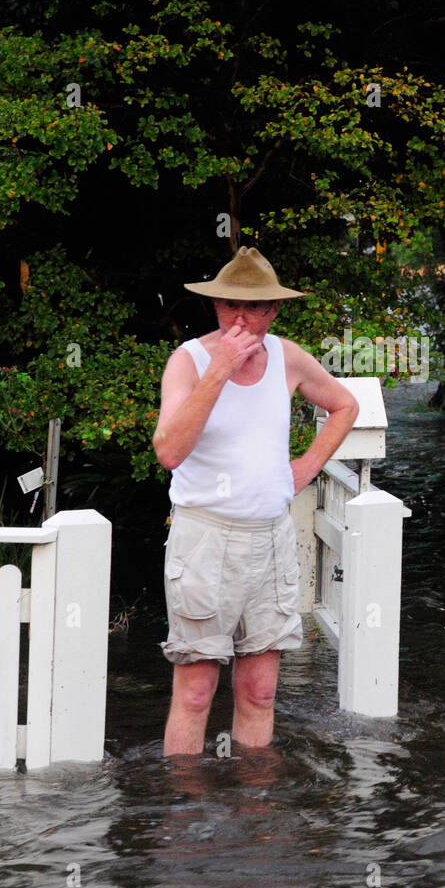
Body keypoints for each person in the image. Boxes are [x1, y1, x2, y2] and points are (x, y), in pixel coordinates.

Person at [152, 246, 359, 755]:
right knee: (197, 692)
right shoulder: (189, 361)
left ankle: (254, 814)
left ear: (273, 310)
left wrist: (306, 467)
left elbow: (344, 405)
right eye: (227, 307)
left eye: (251, 308)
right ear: (215, 307)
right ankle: (185, 815)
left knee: (260, 691)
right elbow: (170, 452)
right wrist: (218, 370)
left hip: (271, 538)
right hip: (204, 539)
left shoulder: (288, 358)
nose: (238, 319)